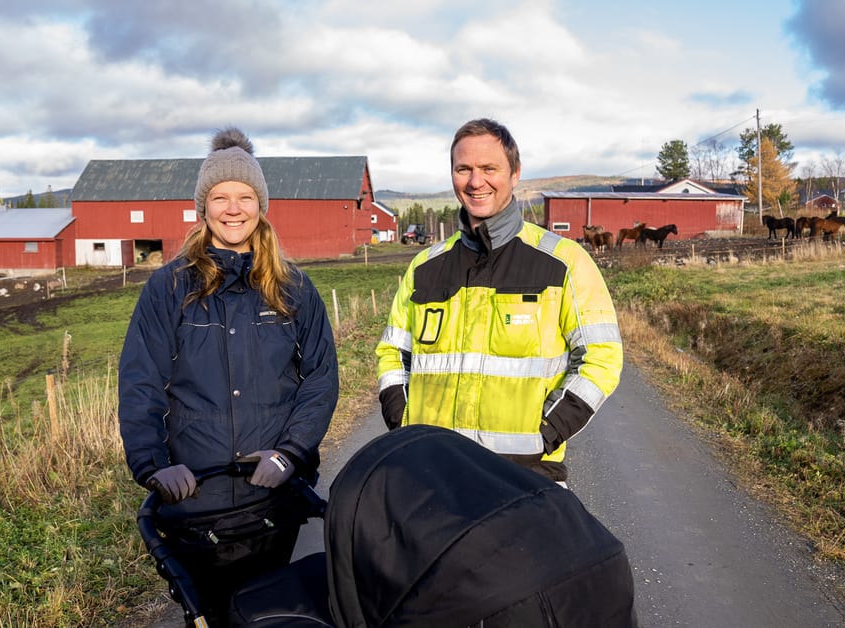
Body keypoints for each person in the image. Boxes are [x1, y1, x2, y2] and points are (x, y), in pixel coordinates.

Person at [118, 126, 338, 622]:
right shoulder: (168, 288)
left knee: (272, 609)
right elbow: (141, 382)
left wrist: (291, 453)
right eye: (220, 197)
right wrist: (153, 463)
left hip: (271, 499)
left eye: (244, 196)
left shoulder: (294, 289)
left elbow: (321, 378)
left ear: (261, 205)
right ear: (203, 207)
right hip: (197, 502)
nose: (233, 208)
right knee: (214, 614)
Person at [375, 118, 622, 484]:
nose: (476, 182)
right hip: (431, 472)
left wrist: (546, 432)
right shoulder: (425, 267)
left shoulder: (564, 262)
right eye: (464, 169)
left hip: (526, 476)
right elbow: (393, 352)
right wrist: (404, 423)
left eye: (489, 168)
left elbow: (601, 358)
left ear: (515, 173)